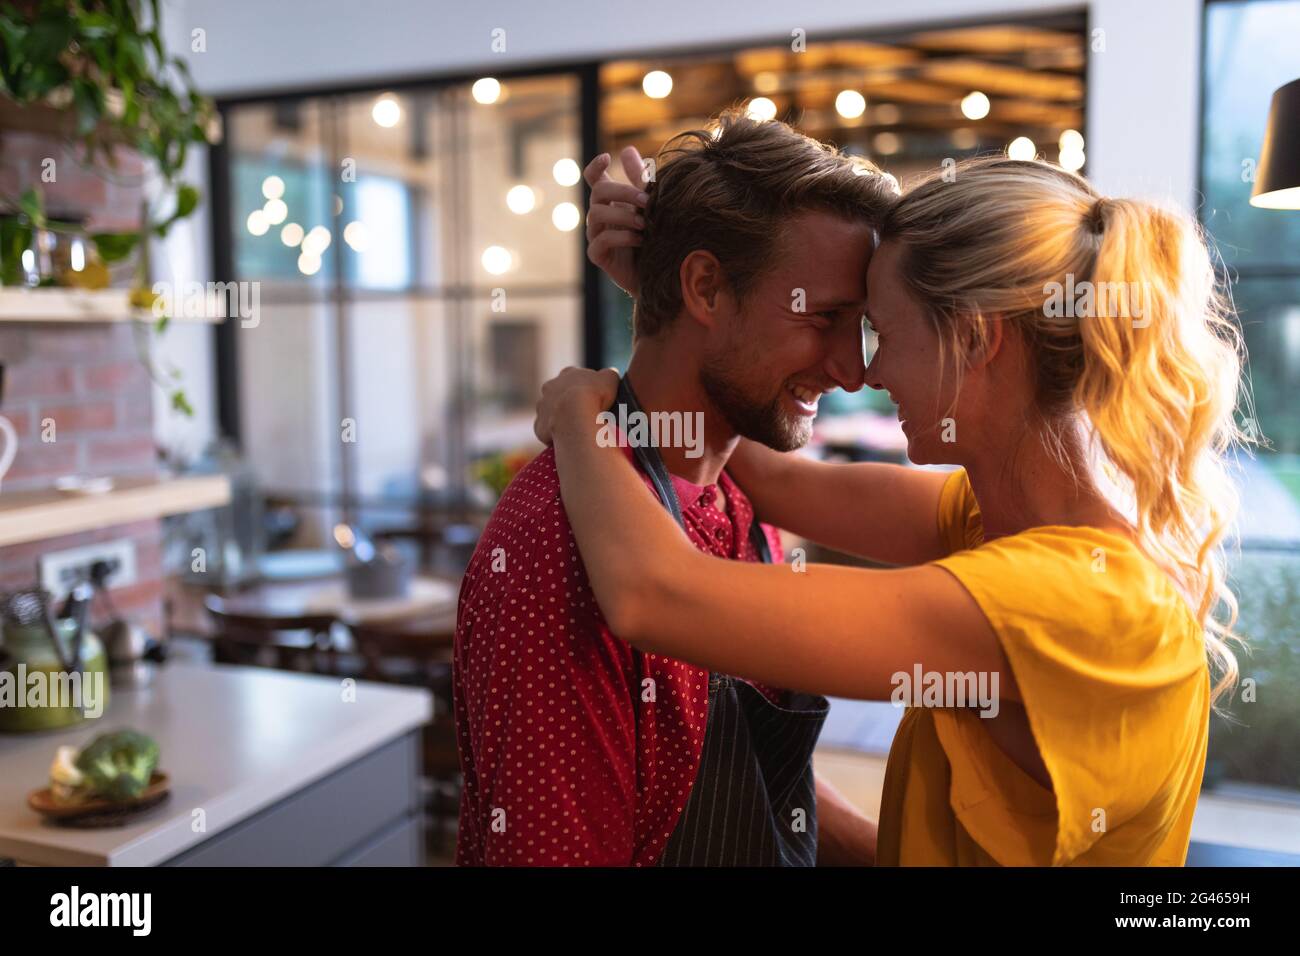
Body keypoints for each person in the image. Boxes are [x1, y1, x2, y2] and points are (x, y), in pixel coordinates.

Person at [533, 155, 1252, 866]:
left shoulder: (1073, 596)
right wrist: (684, 316)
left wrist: (580, 418)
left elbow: (652, 596)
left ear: (974, 339)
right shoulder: (1005, 518)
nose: (863, 371)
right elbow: (779, 483)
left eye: (882, 331)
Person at [453, 110, 898, 866]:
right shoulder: (553, 553)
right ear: (704, 287)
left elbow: (743, 781)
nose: (850, 372)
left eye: (858, 328)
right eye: (822, 318)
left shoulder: (742, 501)